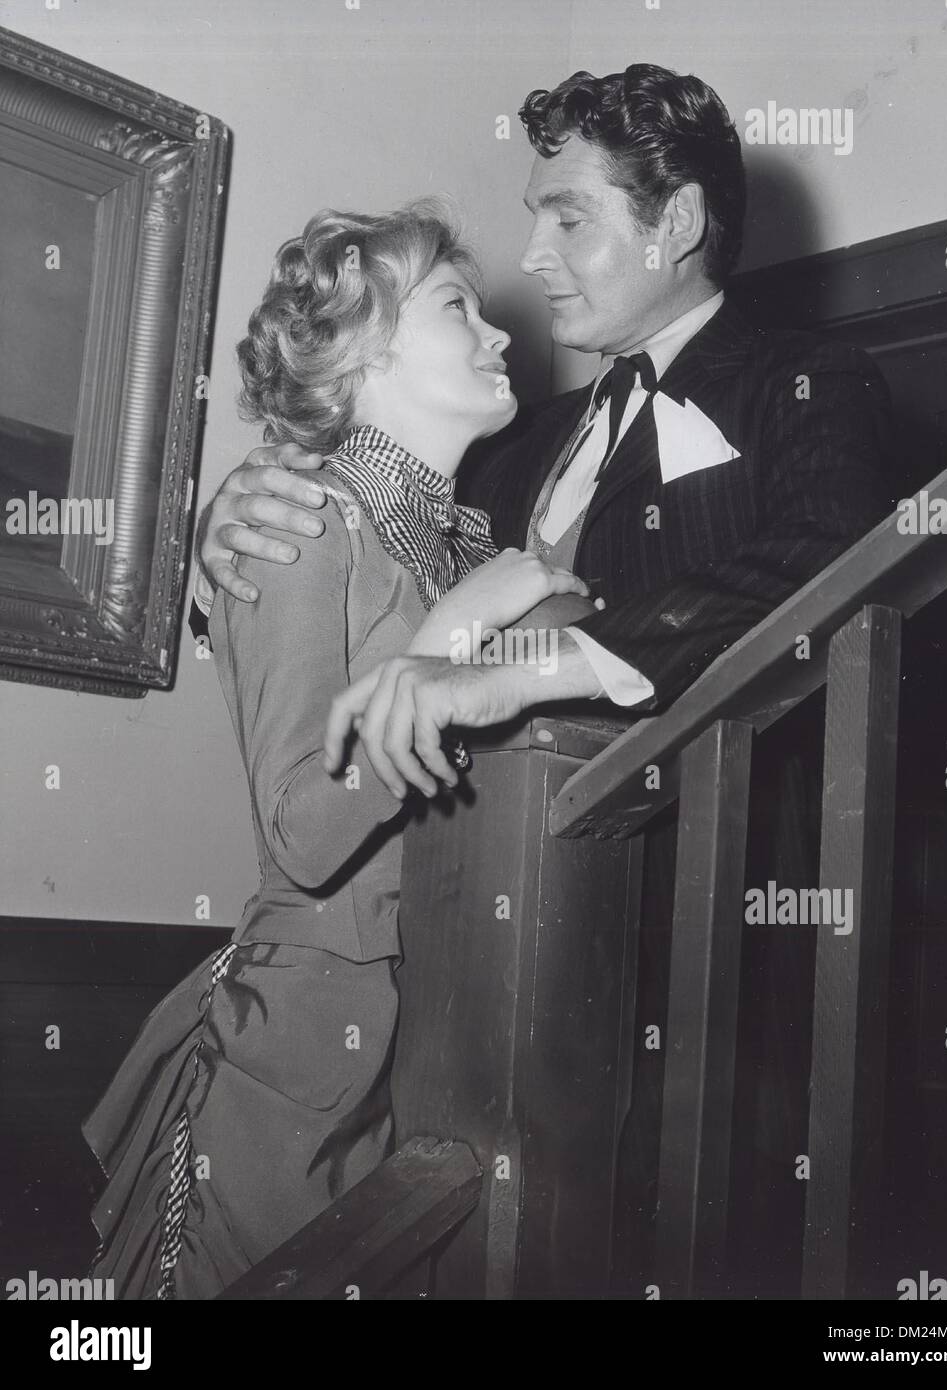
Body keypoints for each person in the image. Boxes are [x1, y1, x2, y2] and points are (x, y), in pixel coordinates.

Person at [188, 65, 894, 1291]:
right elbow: (364, 572)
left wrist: (524, 667)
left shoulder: (806, 387)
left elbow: (827, 555)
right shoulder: (511, 457)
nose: (535, 253)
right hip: (468, 1005)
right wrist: (225, 537)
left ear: (672, 224)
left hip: (695, 992)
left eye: (568, 216)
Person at [82, 203, 593, 1299]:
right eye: (461, 306)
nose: (502, 333)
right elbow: (302, 832)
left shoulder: (474, 543)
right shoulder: (294, 522)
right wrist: (456, 639)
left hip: (448, 1027)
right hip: (297, 1054)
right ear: (367, 350)